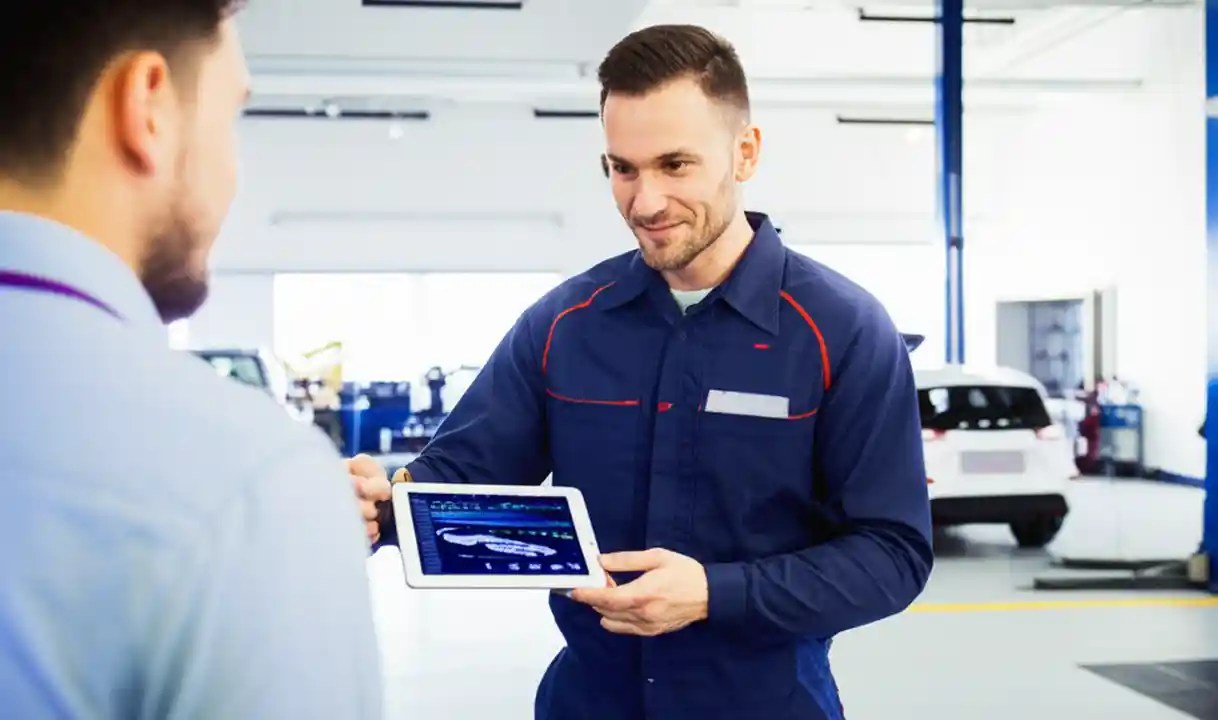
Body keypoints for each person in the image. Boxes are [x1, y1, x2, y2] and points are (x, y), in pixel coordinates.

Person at [353, 24, 932, 720]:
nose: (645, 201)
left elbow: (892, 554)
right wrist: (379, 504)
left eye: (675, 164)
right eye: (622, 168)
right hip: (588, 702)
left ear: (744, 153)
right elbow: (462, 472)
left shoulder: (843, 333)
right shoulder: (563, 326)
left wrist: (717, 592)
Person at [0, 3, 382, 718]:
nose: (232, 175)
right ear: (148, 107)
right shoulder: (249, 480)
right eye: (230, 117)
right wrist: (289, 511)